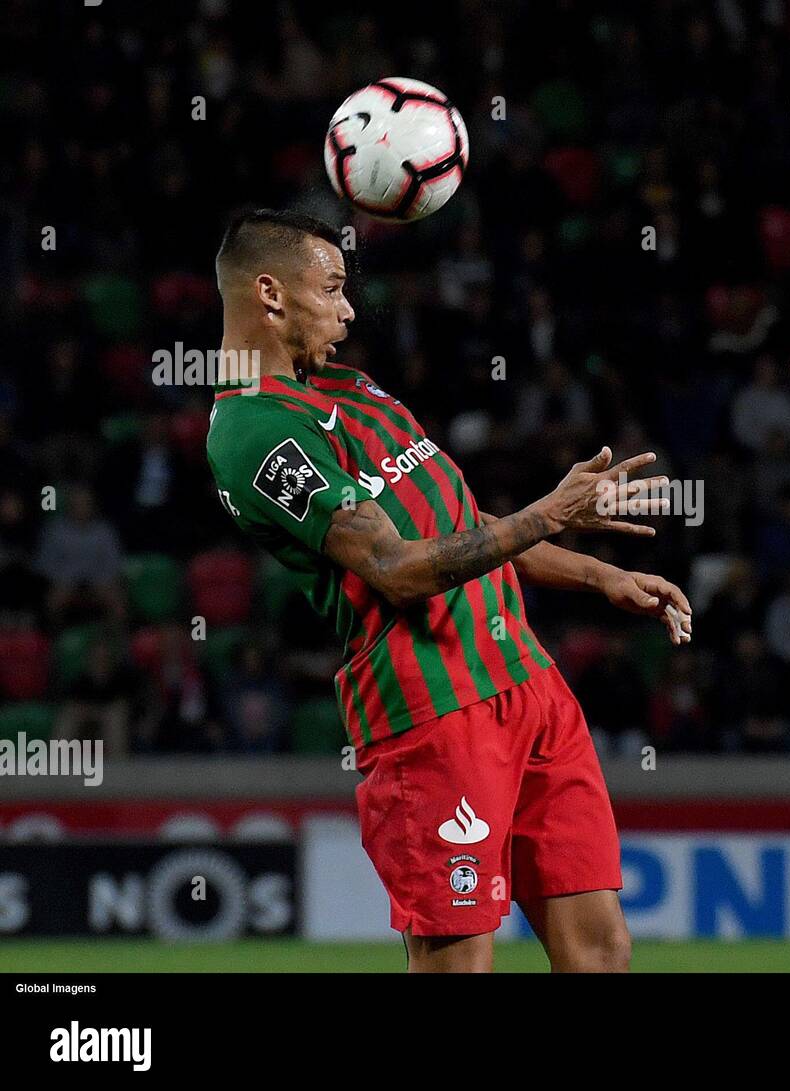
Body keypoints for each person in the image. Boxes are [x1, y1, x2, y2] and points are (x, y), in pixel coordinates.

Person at [206, 209, 692, 972]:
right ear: (269, 293)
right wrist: (546, 513)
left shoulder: (352, 386)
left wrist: (600, 574)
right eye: (331, 289)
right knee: (458, 963)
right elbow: (399, 567)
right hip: (433, 715)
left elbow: (461, 526)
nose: (348, 309)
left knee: (602, 953)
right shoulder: (251, 432)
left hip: (530, 688)